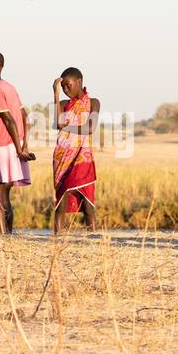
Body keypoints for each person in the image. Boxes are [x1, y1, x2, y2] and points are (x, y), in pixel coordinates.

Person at [0, 50, 34, 235]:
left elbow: (9, 119)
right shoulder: (9, 87)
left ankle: (2, 234)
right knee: (3, 194)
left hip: (4, 145)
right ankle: (7, 233)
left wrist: (21, 150)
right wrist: (23, 145)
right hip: (15, 144)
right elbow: (25, 117)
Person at [52, 67, 99, 232]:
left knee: (88, 203)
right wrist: (56, 96)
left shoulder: (93, 102)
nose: (65, 90)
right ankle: (57, 240)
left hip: (83, 157)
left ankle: (92, 240)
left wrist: (67, 127)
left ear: (79, 82)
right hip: (62, 157)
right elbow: (57, 124)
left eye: (68, 85)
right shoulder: (63, 104)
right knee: (61, 204)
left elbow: (90, 128)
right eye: (62, 87)